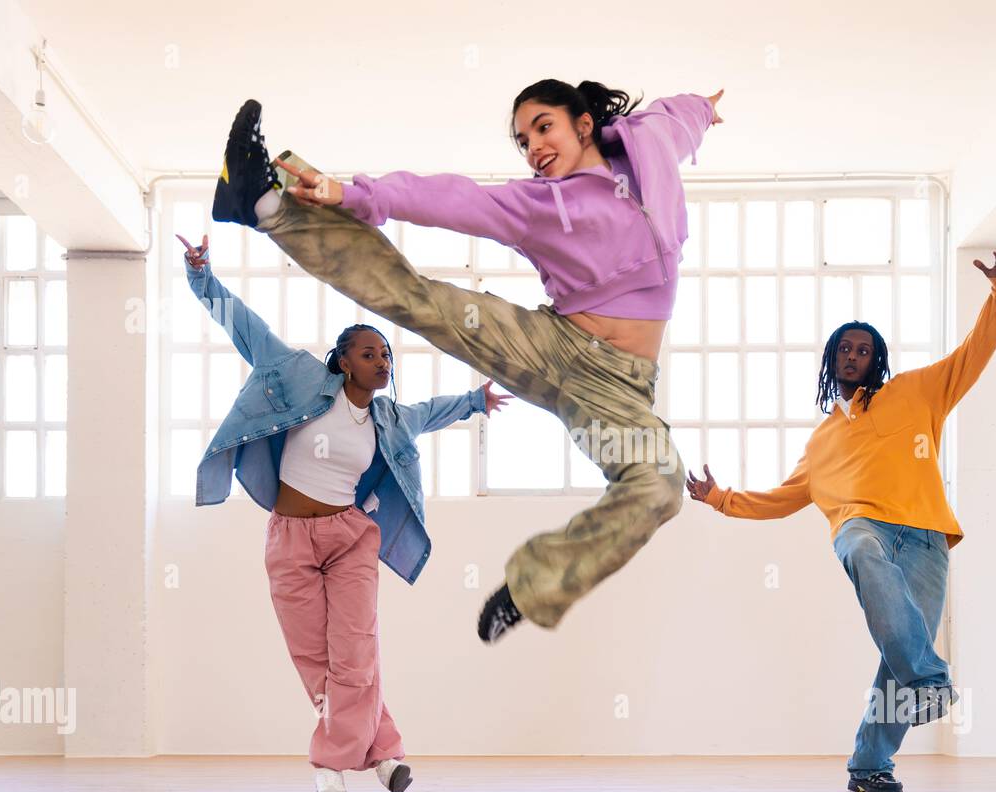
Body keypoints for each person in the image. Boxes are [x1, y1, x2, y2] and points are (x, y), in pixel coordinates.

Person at [207, 81, 724, 643]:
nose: (533, 148)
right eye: (523, 141)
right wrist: (358, 195)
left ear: (582, 124)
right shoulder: (538, 206)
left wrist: (707, 110)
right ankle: (263, 200)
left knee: (660, 486)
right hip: (553, 346)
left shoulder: (648, 144)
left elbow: (683, 116)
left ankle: (531, 589)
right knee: (419, 301)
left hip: (618, 391)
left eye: (543, 127)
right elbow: (451, 199)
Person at [178, 232, 508, 792]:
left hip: (349, 537)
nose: (381, 362)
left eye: (385, 356)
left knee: (354, 650)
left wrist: (475, 401)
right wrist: (202, 275)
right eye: (368, 353)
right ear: (341, 360)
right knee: (314, 657)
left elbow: (430, 412)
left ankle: (329, 765)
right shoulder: (299, 376)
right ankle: (383, 754)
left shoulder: (387, 417)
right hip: (289, 539)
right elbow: (244, 327)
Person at [686, 253, 996, 792]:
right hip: (862, 528)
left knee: (900, 655)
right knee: (866, 556)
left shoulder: (917, 392)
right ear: (831, 359)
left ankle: (869, 764)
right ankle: (932, 681)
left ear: (877, 360)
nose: (853, 356)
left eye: (864, 350)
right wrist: (720, 498)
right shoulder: (821, 443)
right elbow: (780, 498)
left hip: (927, 537)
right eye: (845, 348)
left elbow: (973, 353)